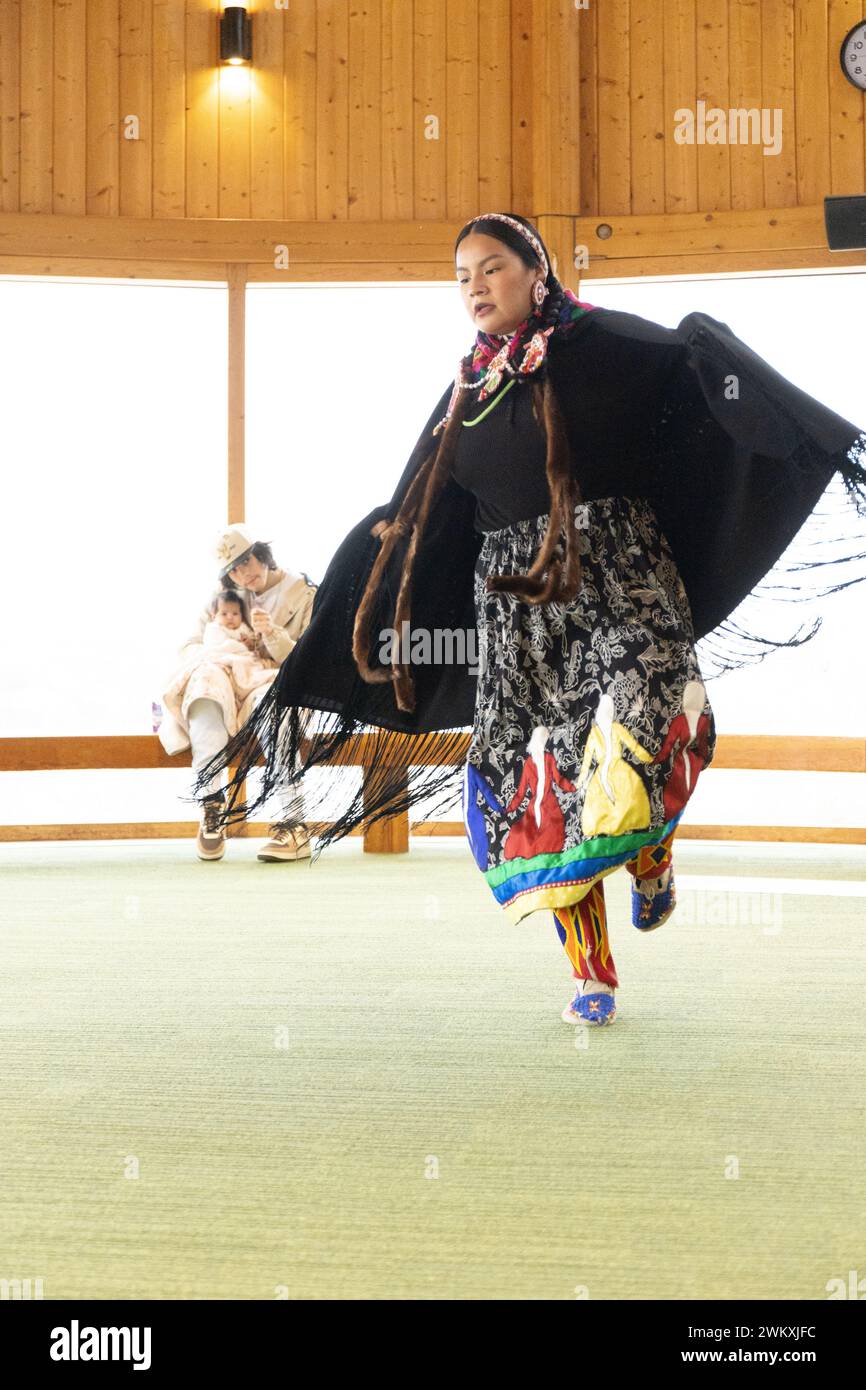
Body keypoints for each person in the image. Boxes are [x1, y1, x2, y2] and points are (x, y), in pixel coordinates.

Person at [189, 212, 866, 1028]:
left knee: (656, 723)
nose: (475, 286)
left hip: (621, 575)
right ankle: (592, 972)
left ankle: (652, 852)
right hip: (517, 609)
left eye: (492, 267)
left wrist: (779, 406)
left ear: (536, 271)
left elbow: (694, 371)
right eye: (462, 275)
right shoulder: (467, 388)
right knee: (544, 780)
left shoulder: (606, 345)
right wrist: (375, 564)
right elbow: (423, 497)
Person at [172, 523, 317, 863]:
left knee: (274, 705)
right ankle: (211, 806)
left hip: (277, 679)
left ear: (262, 555)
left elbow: (312, 660)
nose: (243, 574)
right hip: (228, 677)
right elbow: (190, 645)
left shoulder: (303, 593)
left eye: (247, 562)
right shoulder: (225, 598)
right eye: (233, 570)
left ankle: (295, 825)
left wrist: (275, 636)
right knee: (204, 690)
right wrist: (218, 652)